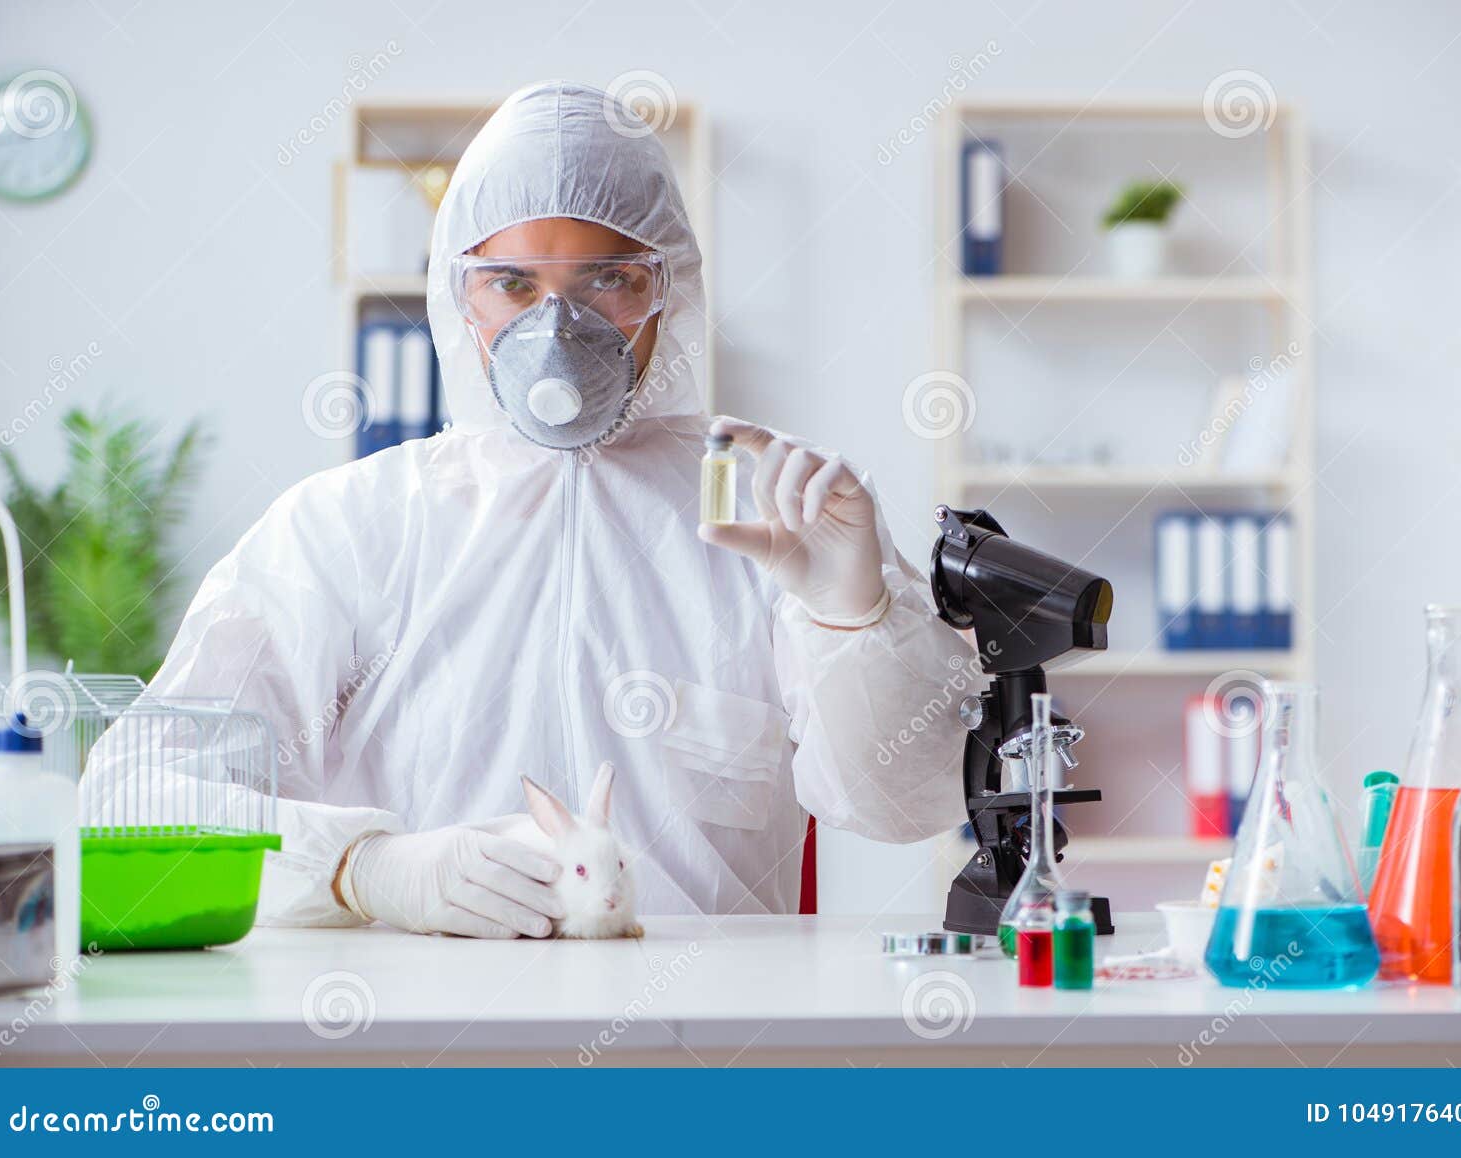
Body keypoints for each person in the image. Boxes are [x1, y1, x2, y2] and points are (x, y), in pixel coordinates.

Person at [139, 81, 976, 937]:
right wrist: (357, 867)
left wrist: (855, 618)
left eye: (607, 279)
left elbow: (911, 804)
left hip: (698, 1048)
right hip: (413, 1043)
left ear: (668, 290)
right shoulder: (347, 528)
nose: (557, 326)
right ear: (457, 297)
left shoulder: (768, 515)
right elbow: (141, 794)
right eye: (510, 283)